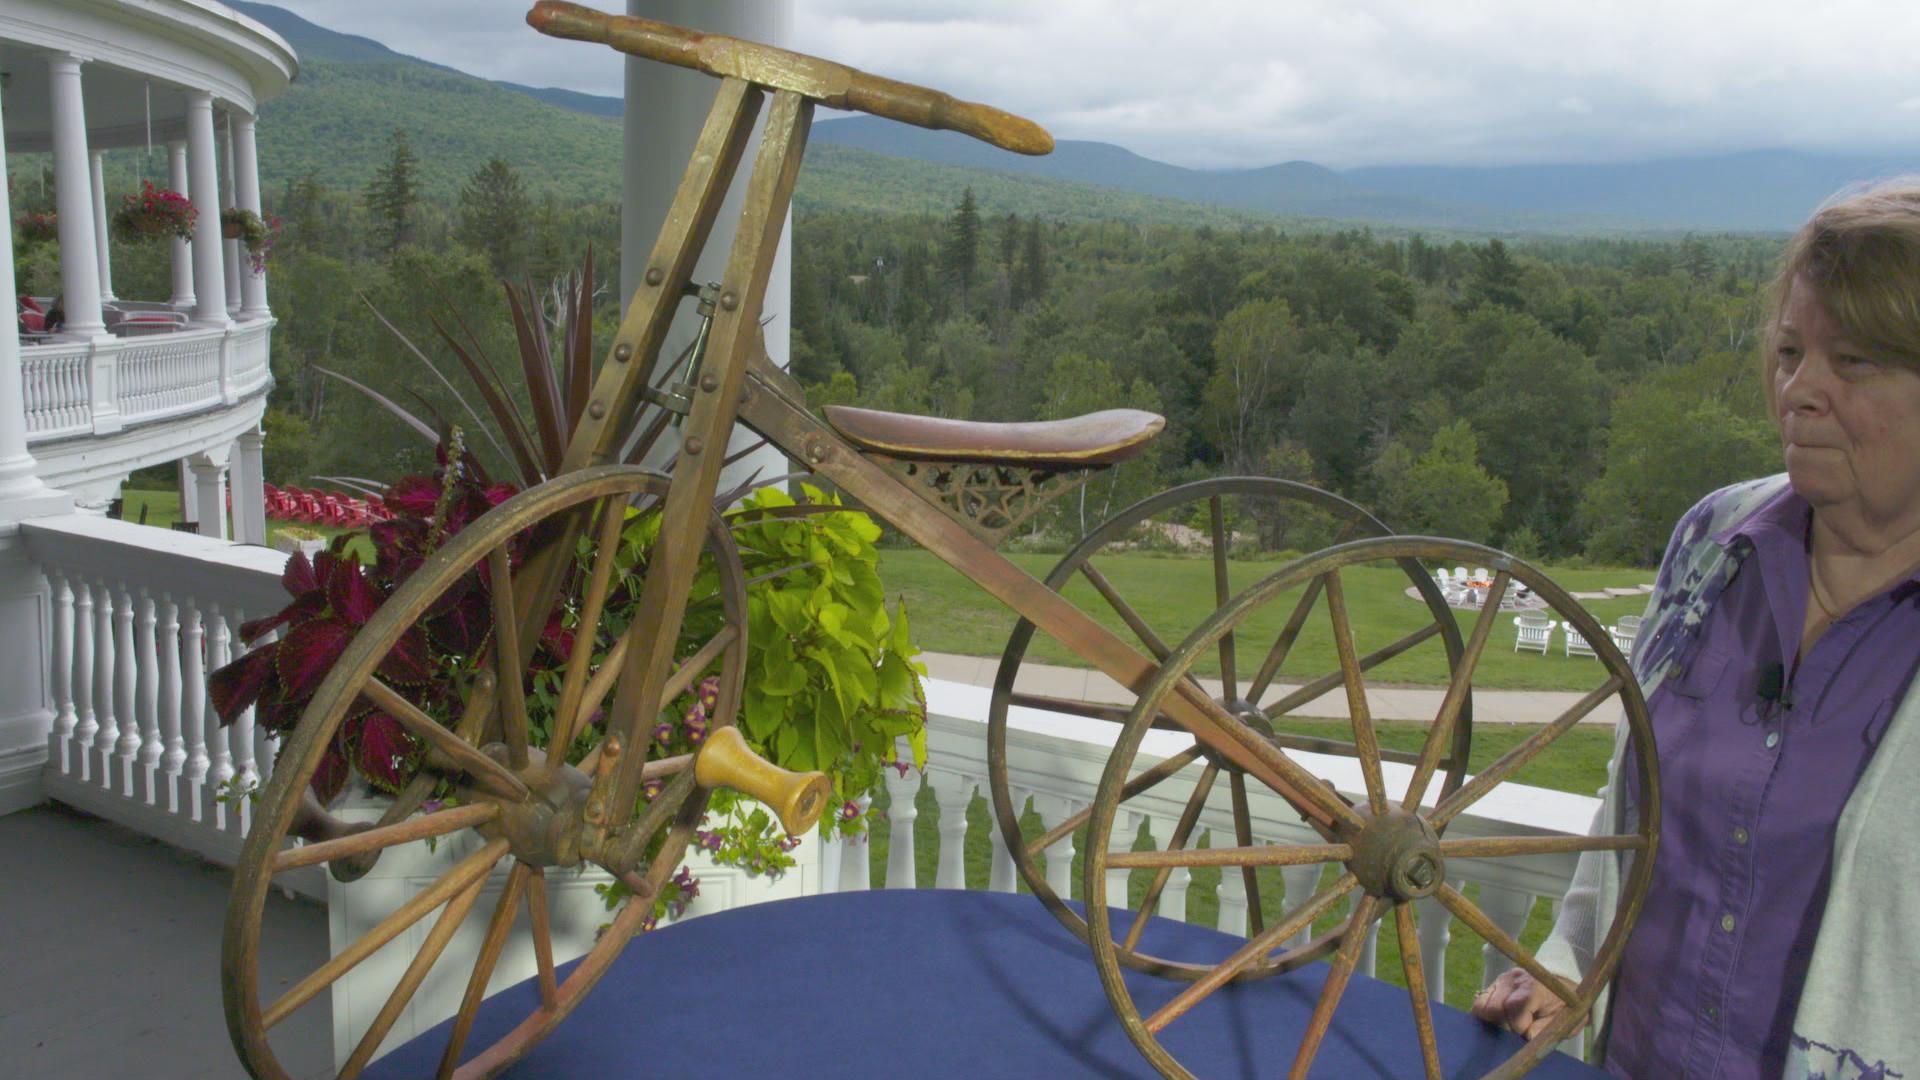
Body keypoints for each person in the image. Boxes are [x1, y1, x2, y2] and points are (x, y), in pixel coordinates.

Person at [1470, 180, 1920, 1080]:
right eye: (1789, 351)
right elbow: (1631, 801)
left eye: (1854, 361)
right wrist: (1572, 959)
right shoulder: (1713, 543)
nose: (1799, 391)